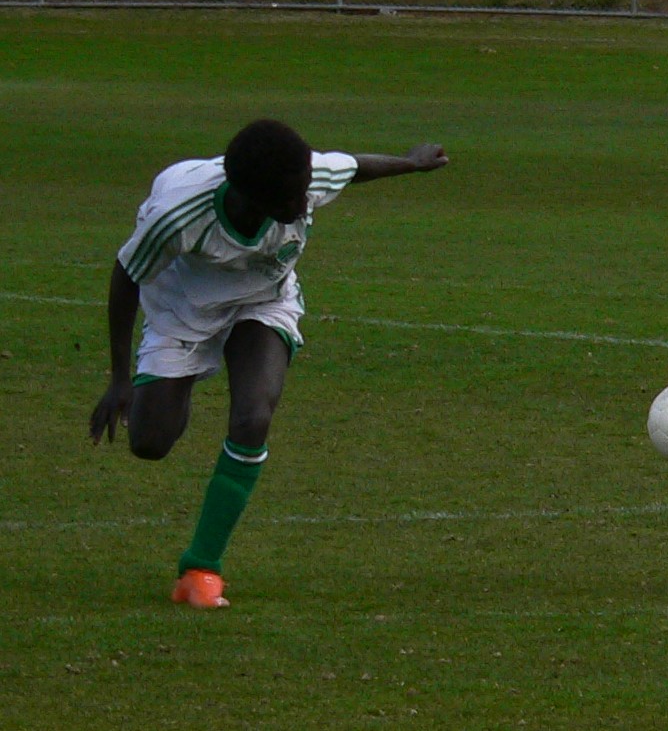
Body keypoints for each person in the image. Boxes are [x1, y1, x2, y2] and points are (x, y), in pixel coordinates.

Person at [89, 119, 448, 608]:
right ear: (253, 197)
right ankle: (180, 379)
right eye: (292, 199)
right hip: (182, 308)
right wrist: (119, 380)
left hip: (263, 299)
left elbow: (355, 167)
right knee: (150, 442)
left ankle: (201, 569)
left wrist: (411, 163)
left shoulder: (302, 177)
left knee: (253, 417)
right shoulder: (178, 216)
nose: (304, 204)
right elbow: (127, 275)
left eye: (305, 191)